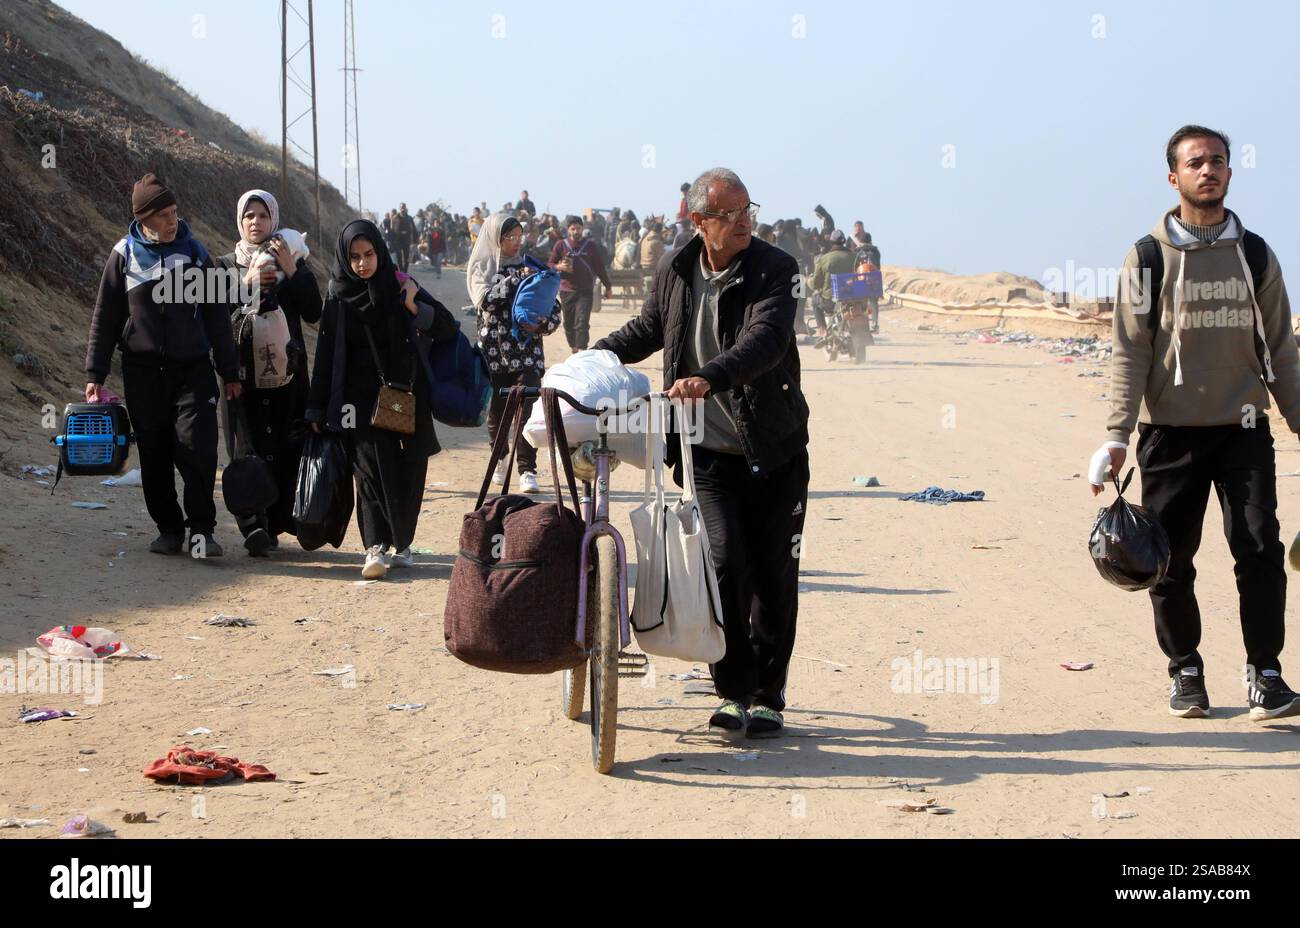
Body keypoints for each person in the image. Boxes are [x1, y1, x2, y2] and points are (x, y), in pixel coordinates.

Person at [594, 167, 809, 739]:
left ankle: (767, 694)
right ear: (699, 221)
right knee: (722, 564)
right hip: (706, 455)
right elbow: (647, 329)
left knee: (772, 575)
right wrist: (592, 361)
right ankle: (732, 690)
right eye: (730, 214)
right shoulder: (676, 267)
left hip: (773, 447)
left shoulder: (775, 269)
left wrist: (707, 378)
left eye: (748, 211)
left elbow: (765, 342)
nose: (744, 223)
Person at [1094, 124, 1300, 722]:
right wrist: (1115, 435)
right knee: (1168, 559)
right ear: (1173, 177)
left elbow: (1281, 349)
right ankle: (1185, 670)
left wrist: (1298, 418)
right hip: (1169, 434)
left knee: (1259, 549)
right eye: (1195, 163)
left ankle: (1266, 672)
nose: (1207, 170)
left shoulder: (1256, 254)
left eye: (1217, 161)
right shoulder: (1148, 257)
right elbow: (1129, 350)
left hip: (1242, 429)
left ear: (1230, 173)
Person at [84, 173, 241, 557]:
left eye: (174, 212)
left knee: (198, 449)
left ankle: (202, 529)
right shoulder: (124, 255)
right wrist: (95, 374)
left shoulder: (196, 253)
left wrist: (229, 370)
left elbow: (217, 316)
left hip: (193, 370)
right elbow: (105, 317)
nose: (173, 221)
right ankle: (169, 530)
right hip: (142, 371)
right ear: (143, 218)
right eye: (164, 215)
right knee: (154, 452)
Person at [306, 220, 458, 579]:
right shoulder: (338, 294)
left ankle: (402, 543)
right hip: (357, 403)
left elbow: (448, 327)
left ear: (380, 252)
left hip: (405, 396)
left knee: (409, 471)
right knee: (369, 472)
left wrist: (412, 306)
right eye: (355, 257)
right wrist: (316, 405)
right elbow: (326, 354)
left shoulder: (401, 285)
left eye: (369, 254)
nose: (362, 263)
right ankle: (375, 547)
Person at [213, 189, 322, 556]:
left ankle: (276, 521)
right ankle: (252, 523)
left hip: (287, 373)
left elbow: (312, 311)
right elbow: (216, 312)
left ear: (273, 219)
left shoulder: (291, 259)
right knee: (246, 447)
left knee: (284, 445)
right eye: (249, 216)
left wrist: (291, 269)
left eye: (262, 216)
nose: (255, 223)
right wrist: (247, 282)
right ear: (239, 221)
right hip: (241, 375)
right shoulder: (226, 264)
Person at [468, 213, 562, 494]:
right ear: (496, 239)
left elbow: (553, 308)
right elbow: (487, 301)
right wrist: (515, 281)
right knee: (498, 410)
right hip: (495, 352)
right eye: (510, 238)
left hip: (528, 351)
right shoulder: (482, 269)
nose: (516, 243)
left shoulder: (531, 267)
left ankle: (526, 468)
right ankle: (500, 458)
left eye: (519, 237)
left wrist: (543, 323)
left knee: (529, 404)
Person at [549, 214, 612, 353]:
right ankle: (574, 349)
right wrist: (559, 267)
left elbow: (599, 267)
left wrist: (608, 286)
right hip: (566, 291)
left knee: (582, 322)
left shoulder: (590, 246)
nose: (576, 231)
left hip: (585, 290)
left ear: (582, 228)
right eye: (573, 229)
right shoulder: (561, 245)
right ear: (568, 230)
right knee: (568, 324)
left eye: (578, 228)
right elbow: (550, 264)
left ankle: (582, 351)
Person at [808, 229, 855, 337]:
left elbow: (816, 283)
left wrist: (808, 281)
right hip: (853, 298)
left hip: (831, 301)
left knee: (815, 301)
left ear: (831, 242)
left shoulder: (824, 259)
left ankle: (823, 329)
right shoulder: (854, 257)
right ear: (843, 242)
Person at [855, 232, 882, 332]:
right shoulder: (875, 251)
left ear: (860, 241)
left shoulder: (857, 251)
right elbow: (878, 267)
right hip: (873, 281)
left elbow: (854, 267)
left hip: (860, 282)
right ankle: (874, 324)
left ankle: (862, 322)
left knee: (860, 302)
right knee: (874, 302)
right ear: (870, 241)